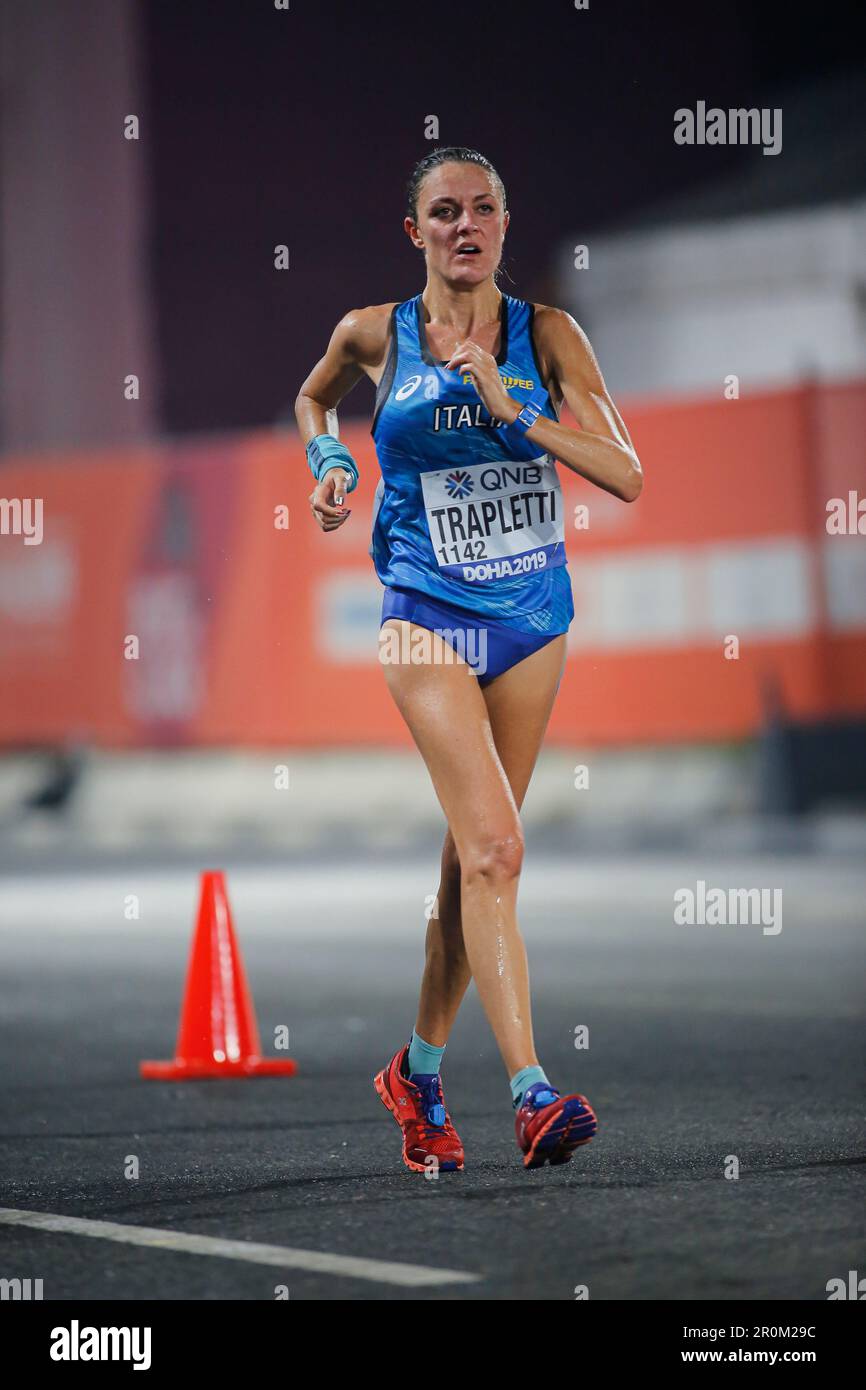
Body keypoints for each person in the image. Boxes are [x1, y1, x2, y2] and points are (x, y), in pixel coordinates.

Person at [295, 146, 642, 1172]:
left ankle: (415, 1070)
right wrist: (329, 463)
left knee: (468, 862)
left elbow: (623, 471)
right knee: (495, 850)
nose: (463, 225)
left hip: (532, 619)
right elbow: (315, 400)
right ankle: (532, 1092)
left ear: (502, 222)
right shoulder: (374, 334)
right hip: (422, 616)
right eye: (442, 211)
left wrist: (514, 409)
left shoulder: (548, 335)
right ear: (414, 231)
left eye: (481, 207)